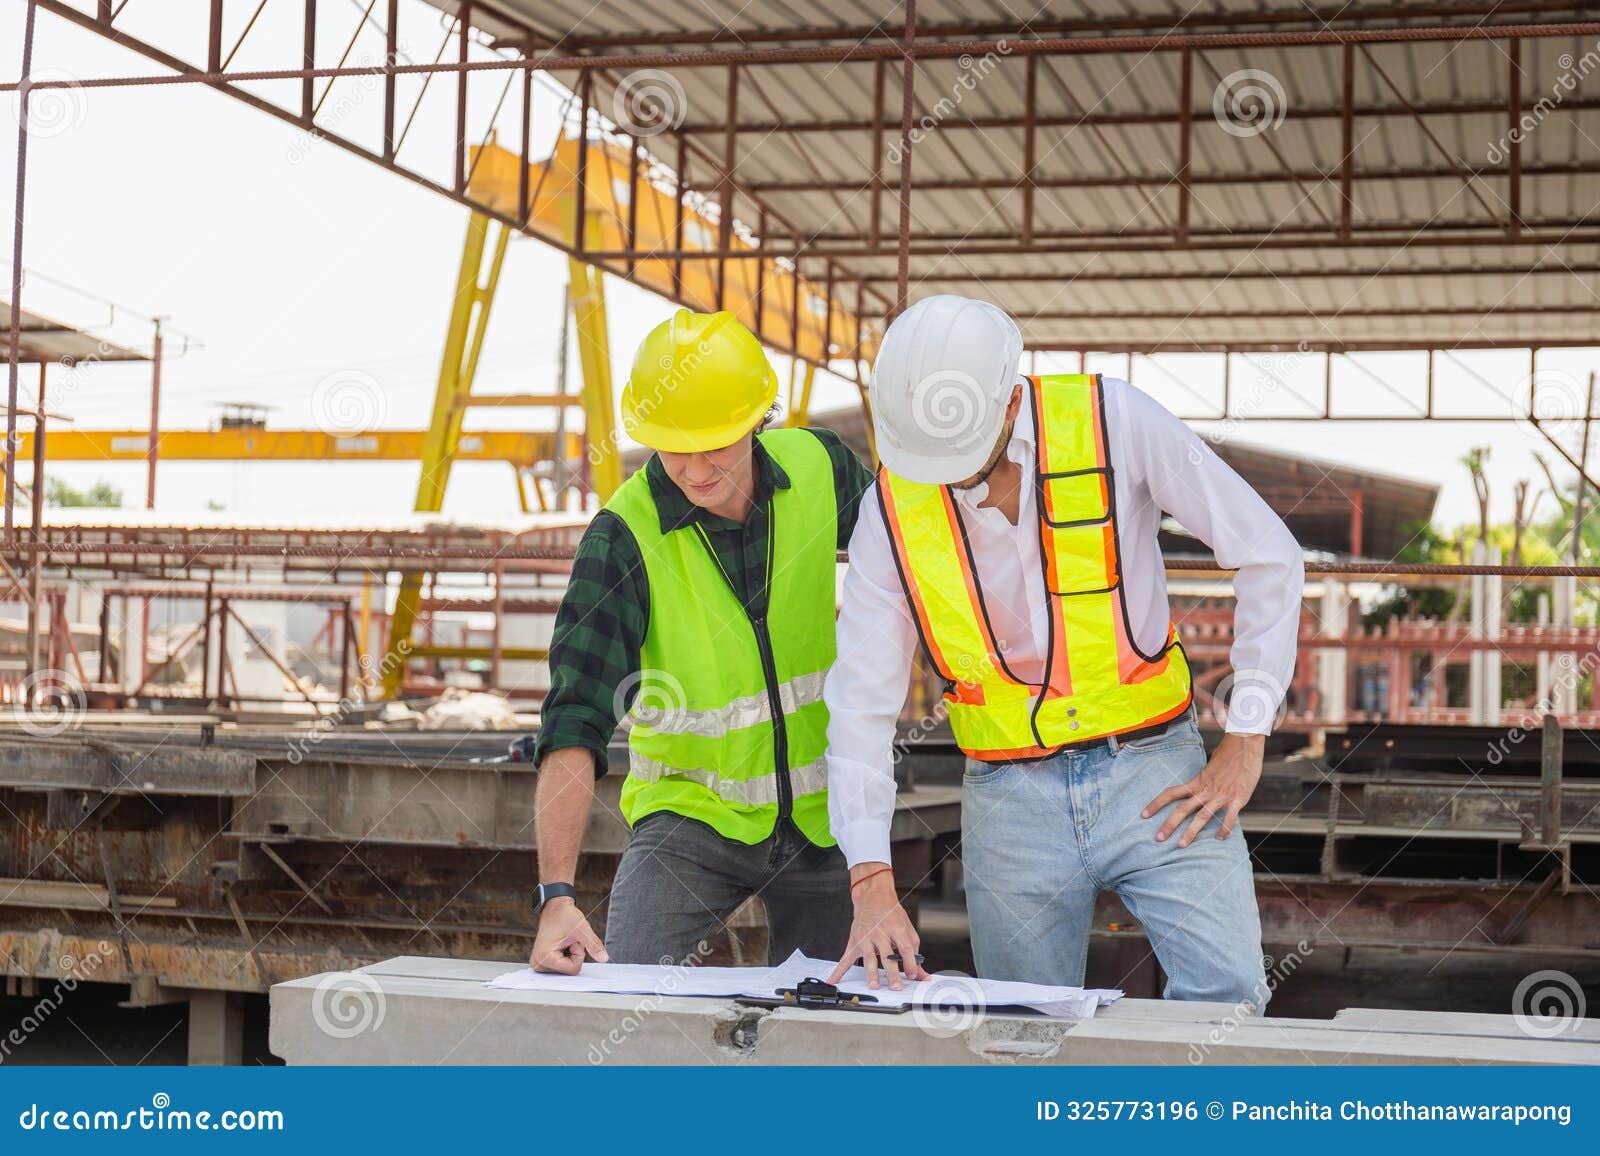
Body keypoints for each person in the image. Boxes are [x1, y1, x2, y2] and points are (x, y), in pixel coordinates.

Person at [824, 295, 1303, 1007]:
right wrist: (869, 878)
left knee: (1227, 998)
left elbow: (1268, 553)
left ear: (1010, 402)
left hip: (1158, 776)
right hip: (1008, 798)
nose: (946, 477)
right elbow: (860, 702)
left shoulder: (1115, 421)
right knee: (1024, 1026)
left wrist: (1248, 737)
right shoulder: (889, 511)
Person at [528, 309, 874, 974]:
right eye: (671, 443)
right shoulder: (621, 538)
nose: (692, 466)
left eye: (713, 441)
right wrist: (557, 896)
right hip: (688, 817)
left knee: (838, 1020)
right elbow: (574, 719)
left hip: (823, 818)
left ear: (755, 419)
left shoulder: (821, 470)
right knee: (629, 999)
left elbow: (918, 570)